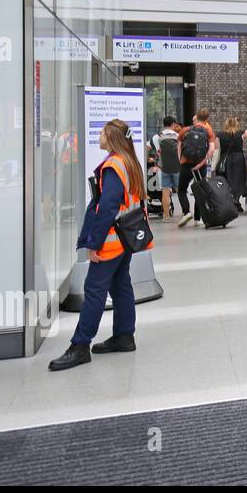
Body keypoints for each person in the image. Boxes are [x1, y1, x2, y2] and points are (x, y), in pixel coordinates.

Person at [49, 118, 150, 371]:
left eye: (103, 131)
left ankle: (80, 346)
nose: (100, 134)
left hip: (111, 241)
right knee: (121, 286)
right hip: (125, 238)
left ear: (112, 137)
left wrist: (94, 243)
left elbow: (107, 208)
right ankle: (124, 336)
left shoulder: (114, 165)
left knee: (94, 290)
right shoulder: (130, 162)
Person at [177, 110, 217, 227]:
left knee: (182, 190)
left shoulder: (184, 130)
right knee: (199, 192)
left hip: (186, 164)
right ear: (207, 120)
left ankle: (186, 213)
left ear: (196, 118)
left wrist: (180, 160)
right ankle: (197, 220)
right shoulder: (208, 132)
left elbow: (178, 147)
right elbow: (211, 150)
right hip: (200, 166)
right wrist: (201, 164)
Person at [217, 116, 247, 212]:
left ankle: (230, 202)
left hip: (226, 159)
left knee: (227, 181)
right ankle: (236, 201)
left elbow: (216, 147)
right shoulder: (241, 133)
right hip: (238, 159)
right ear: (236, 124)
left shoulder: (220, 134)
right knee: (238, 181)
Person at [152, 116, 182, 222]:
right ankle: (185, 212)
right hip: (177, 167)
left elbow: (155, 151)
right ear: (173, 124)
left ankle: (166, 216)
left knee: (165, 192)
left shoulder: (157, 137)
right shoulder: (178, 136)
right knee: (180, 191)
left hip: (163, 168)